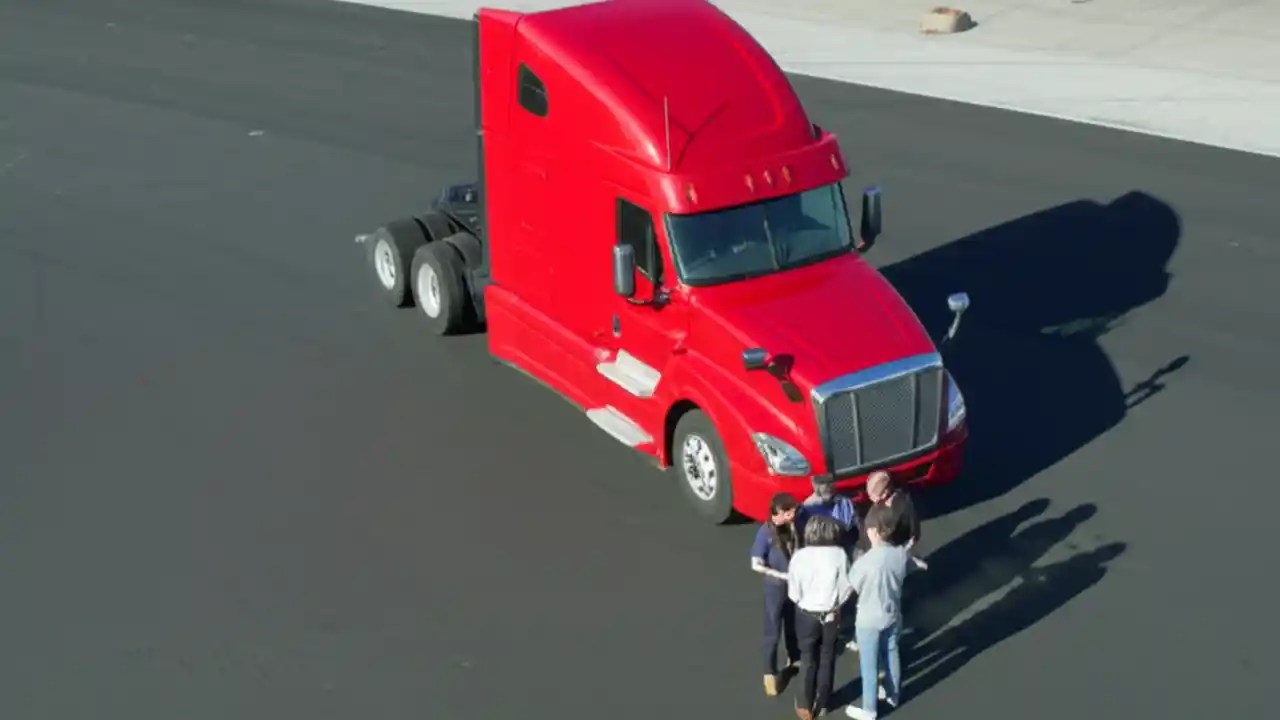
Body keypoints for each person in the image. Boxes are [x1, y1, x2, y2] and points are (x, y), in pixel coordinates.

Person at [844, 504, 920, 720]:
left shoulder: (865, 562)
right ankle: (893, 694)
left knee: (869, 666)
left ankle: (869, 709)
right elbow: (911, 565)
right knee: (891, 652)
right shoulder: (899, 555)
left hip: (868, 620)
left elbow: (852, 585)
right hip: (893, 614)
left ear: (875, 531)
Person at [786, 514, 854, 720]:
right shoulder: (839, 555)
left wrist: (803, 601)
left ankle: (805, 705)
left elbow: (793, 591)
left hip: (806, 614)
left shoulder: (799, 556)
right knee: (827, 658)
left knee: (808, 658)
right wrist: (835, 605)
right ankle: (824, 702)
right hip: (831, 614)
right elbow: (847, 587)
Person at [798, 474, 860, 650]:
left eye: (829, 487)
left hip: (839, 556)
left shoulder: (843, 504)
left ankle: (838, 628)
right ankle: (828, 631)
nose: (827, 492)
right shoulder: (806, 509)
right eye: (824, 488)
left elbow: (854, 530)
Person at [751, 492, 802, 696]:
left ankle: (794, 657)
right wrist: (779, 574)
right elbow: (756, 564)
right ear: (779, 513)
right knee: (773, 630)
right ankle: (769, 673)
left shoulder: (792, 527)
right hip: (775, 586)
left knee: (793, 623)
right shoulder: (765, 533)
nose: (794, 514)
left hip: (793, 584)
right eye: (790, 511)